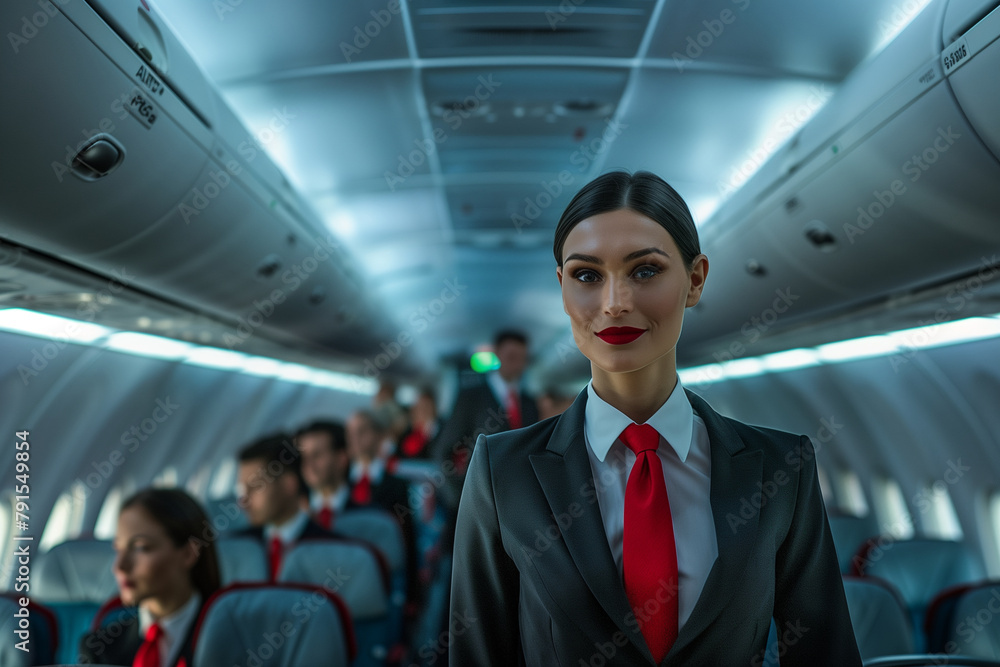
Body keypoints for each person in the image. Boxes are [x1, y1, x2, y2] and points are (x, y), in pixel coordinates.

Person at [449, 170, 862, 665]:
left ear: (695, 280)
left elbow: (824, 652)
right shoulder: (503, 472)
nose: (615, 303)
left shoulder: (781, 467)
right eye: (587, 276)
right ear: (562, 288)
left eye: (645, 271)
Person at [78, 488, 221, 666]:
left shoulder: (233, 638)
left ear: (188, 553)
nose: (119, 567)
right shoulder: (99, 647)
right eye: (118, 549)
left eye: (141, 548)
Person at [234, 433, 335, 581]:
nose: (243, 501)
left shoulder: (330, 549)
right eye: (243, 489)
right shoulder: (239, 548)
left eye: (255, 487)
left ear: (289, 484)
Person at [295, 420, 350, 530]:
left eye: (317, 455)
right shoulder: (295, 516)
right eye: (303, 457)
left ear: (341, 458)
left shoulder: (370, 504)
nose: (308, 464)